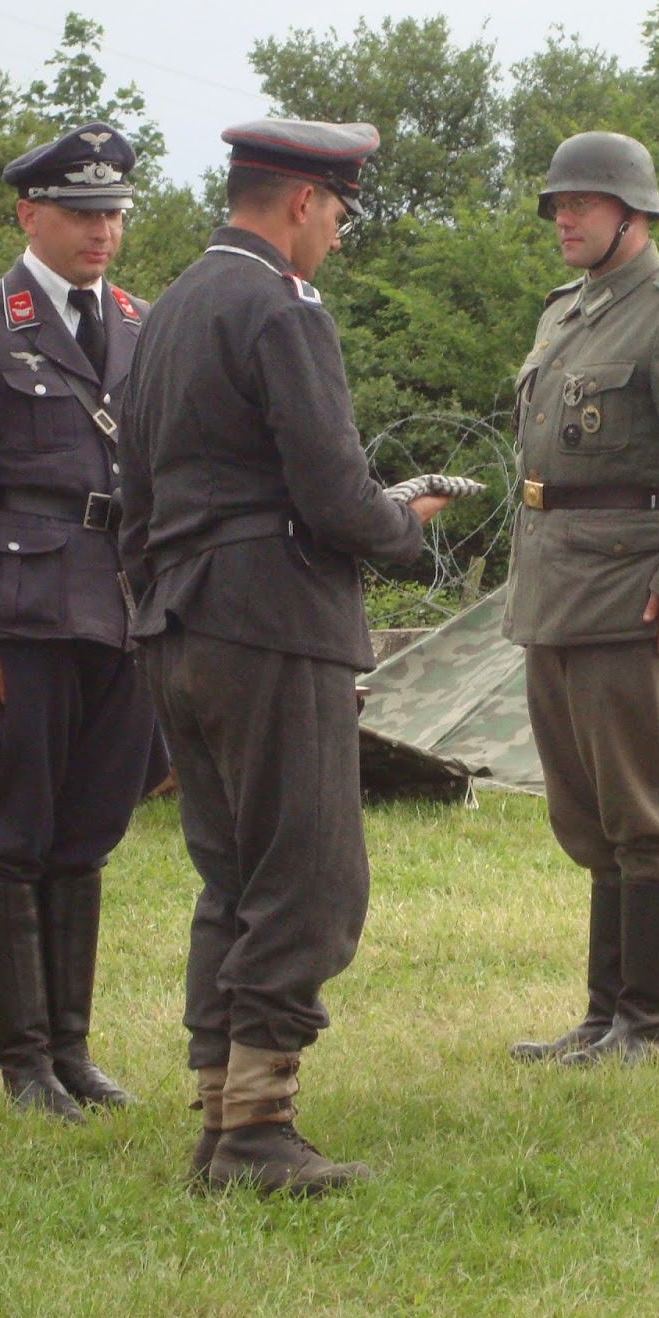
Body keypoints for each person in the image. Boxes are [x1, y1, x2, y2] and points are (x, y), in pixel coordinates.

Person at [118, 119, 450, 1196]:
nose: (338, 240)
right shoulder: (280, 307)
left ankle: (221, 1124)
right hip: (272, 627)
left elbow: (134, 501)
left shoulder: (164, 310)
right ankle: (258, 1133)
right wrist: (413, 526)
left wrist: (159, 603)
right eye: (341, 216)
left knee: (232, 879)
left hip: (178, 623)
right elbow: (333, 494)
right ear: (302, 200)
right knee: (307, 881)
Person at [503, 131, 659, 1065]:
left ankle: (646, 1024)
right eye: (557, 204)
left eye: (581, 202)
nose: (563, 217)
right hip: (555, 590)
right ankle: (603, 1016)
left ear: (632, 212)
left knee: (645, 813)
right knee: (587, 813)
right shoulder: (566, 313)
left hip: (632, 596)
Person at [0, 123, 156, 1122]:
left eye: (113, 212)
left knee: (87, 834)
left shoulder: (142, 326)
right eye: (80, 211)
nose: (101, 230)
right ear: (29, 213)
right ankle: (24, 1063)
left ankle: (73, 1051)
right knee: (15, 832)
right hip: (22, 612)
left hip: (119, 610)